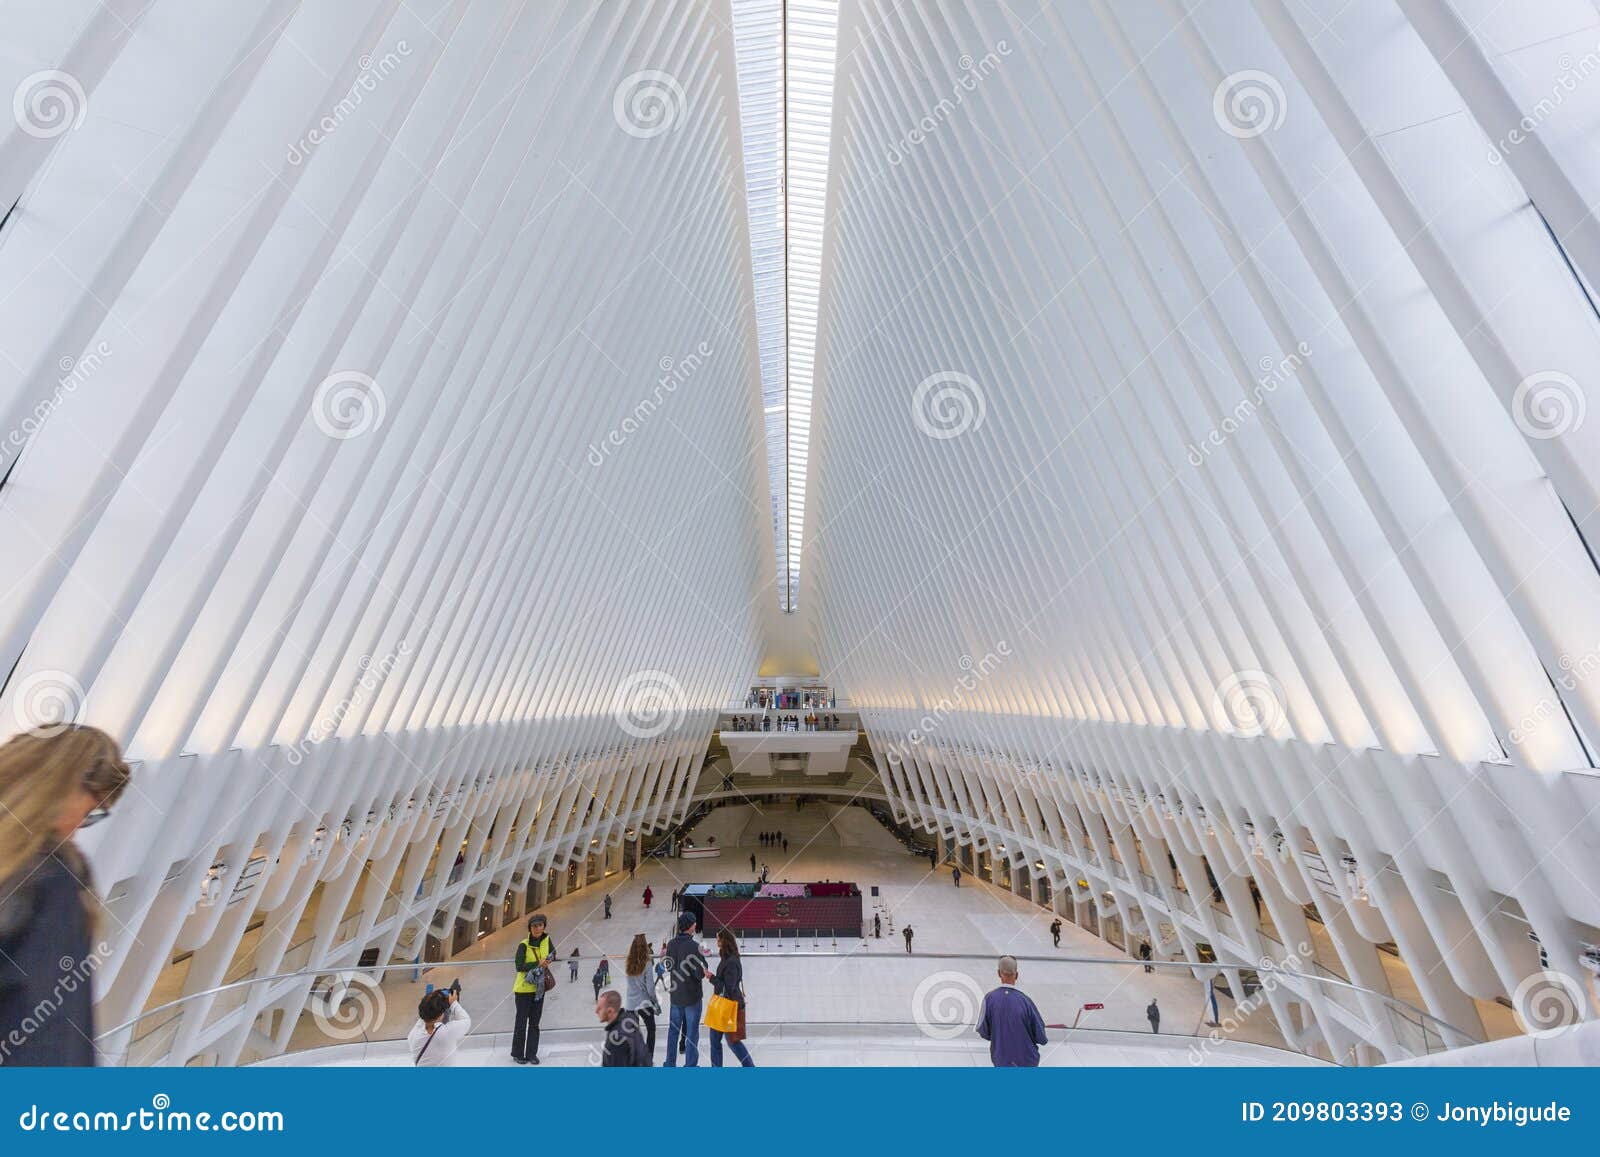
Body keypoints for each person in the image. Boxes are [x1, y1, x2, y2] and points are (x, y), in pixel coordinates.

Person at [0, 726, 132, 1066]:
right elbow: (45, 1026)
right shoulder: (51, 876)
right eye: (88, 814)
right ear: (65, 787)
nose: (78, 830)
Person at [976, 956, 1048, 1067]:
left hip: (1001, 1059)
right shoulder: (1026, 1002)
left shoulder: (989, 999)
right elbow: (1041, 1037)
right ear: (1017, 975)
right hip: (1027, 1061)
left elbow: (984, 1031)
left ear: (999, 973)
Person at [663, 911, 707, 1066]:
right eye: (694, 923)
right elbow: (699, 974)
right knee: (692, 1034)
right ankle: (690, 1066)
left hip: (676, 996)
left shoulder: (671, 944)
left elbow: (668, 966)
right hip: (692, 998)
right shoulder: (695, 947)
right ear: (690, 926)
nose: (696, 925)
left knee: (673, 1031)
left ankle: (669, 1063)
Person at [511, 914, 554, 1064]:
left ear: (544, 926)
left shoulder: (547, 940)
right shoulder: (523, 944)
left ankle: (531, 1054)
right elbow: (519, 966)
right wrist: (538, 963)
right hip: (523, 990)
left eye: (540, 925)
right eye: (534, 926)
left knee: (535, 1024)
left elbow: (553, 953)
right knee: (521, 1023)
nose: (537, 928)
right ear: (530, 928)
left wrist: (548, 959)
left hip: (539, 990)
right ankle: (517, 1053)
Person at [708, 929, 755, 1067]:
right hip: (723, 1005)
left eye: (718, 939)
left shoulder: (731, 962)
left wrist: (711, 978)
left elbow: (728, 988)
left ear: (724, 941)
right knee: (718, 1040)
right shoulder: (727, 957)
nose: (717, 942)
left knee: (732, 1041)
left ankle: (750, 1066)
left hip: (728, 1007)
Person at [408, 987, 471, 1067]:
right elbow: (466, 1020)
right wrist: (453, 1003)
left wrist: (431, 1002)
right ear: (441, 1015)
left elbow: (423, 1019)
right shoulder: (447, 1032)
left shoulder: (412, 1035)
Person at [624, 933, 658, 1064]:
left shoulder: (628, 962)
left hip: (631, 1004)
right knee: (651, 1029)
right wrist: (654, 1001)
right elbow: (650, 988)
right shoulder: (647, 963)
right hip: (644, 1003)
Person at [595, 990, 649, 1067]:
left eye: (599, 1008)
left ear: (610, 1011)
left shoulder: (617, 1040)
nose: (596, 1011)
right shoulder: (628, 1019)